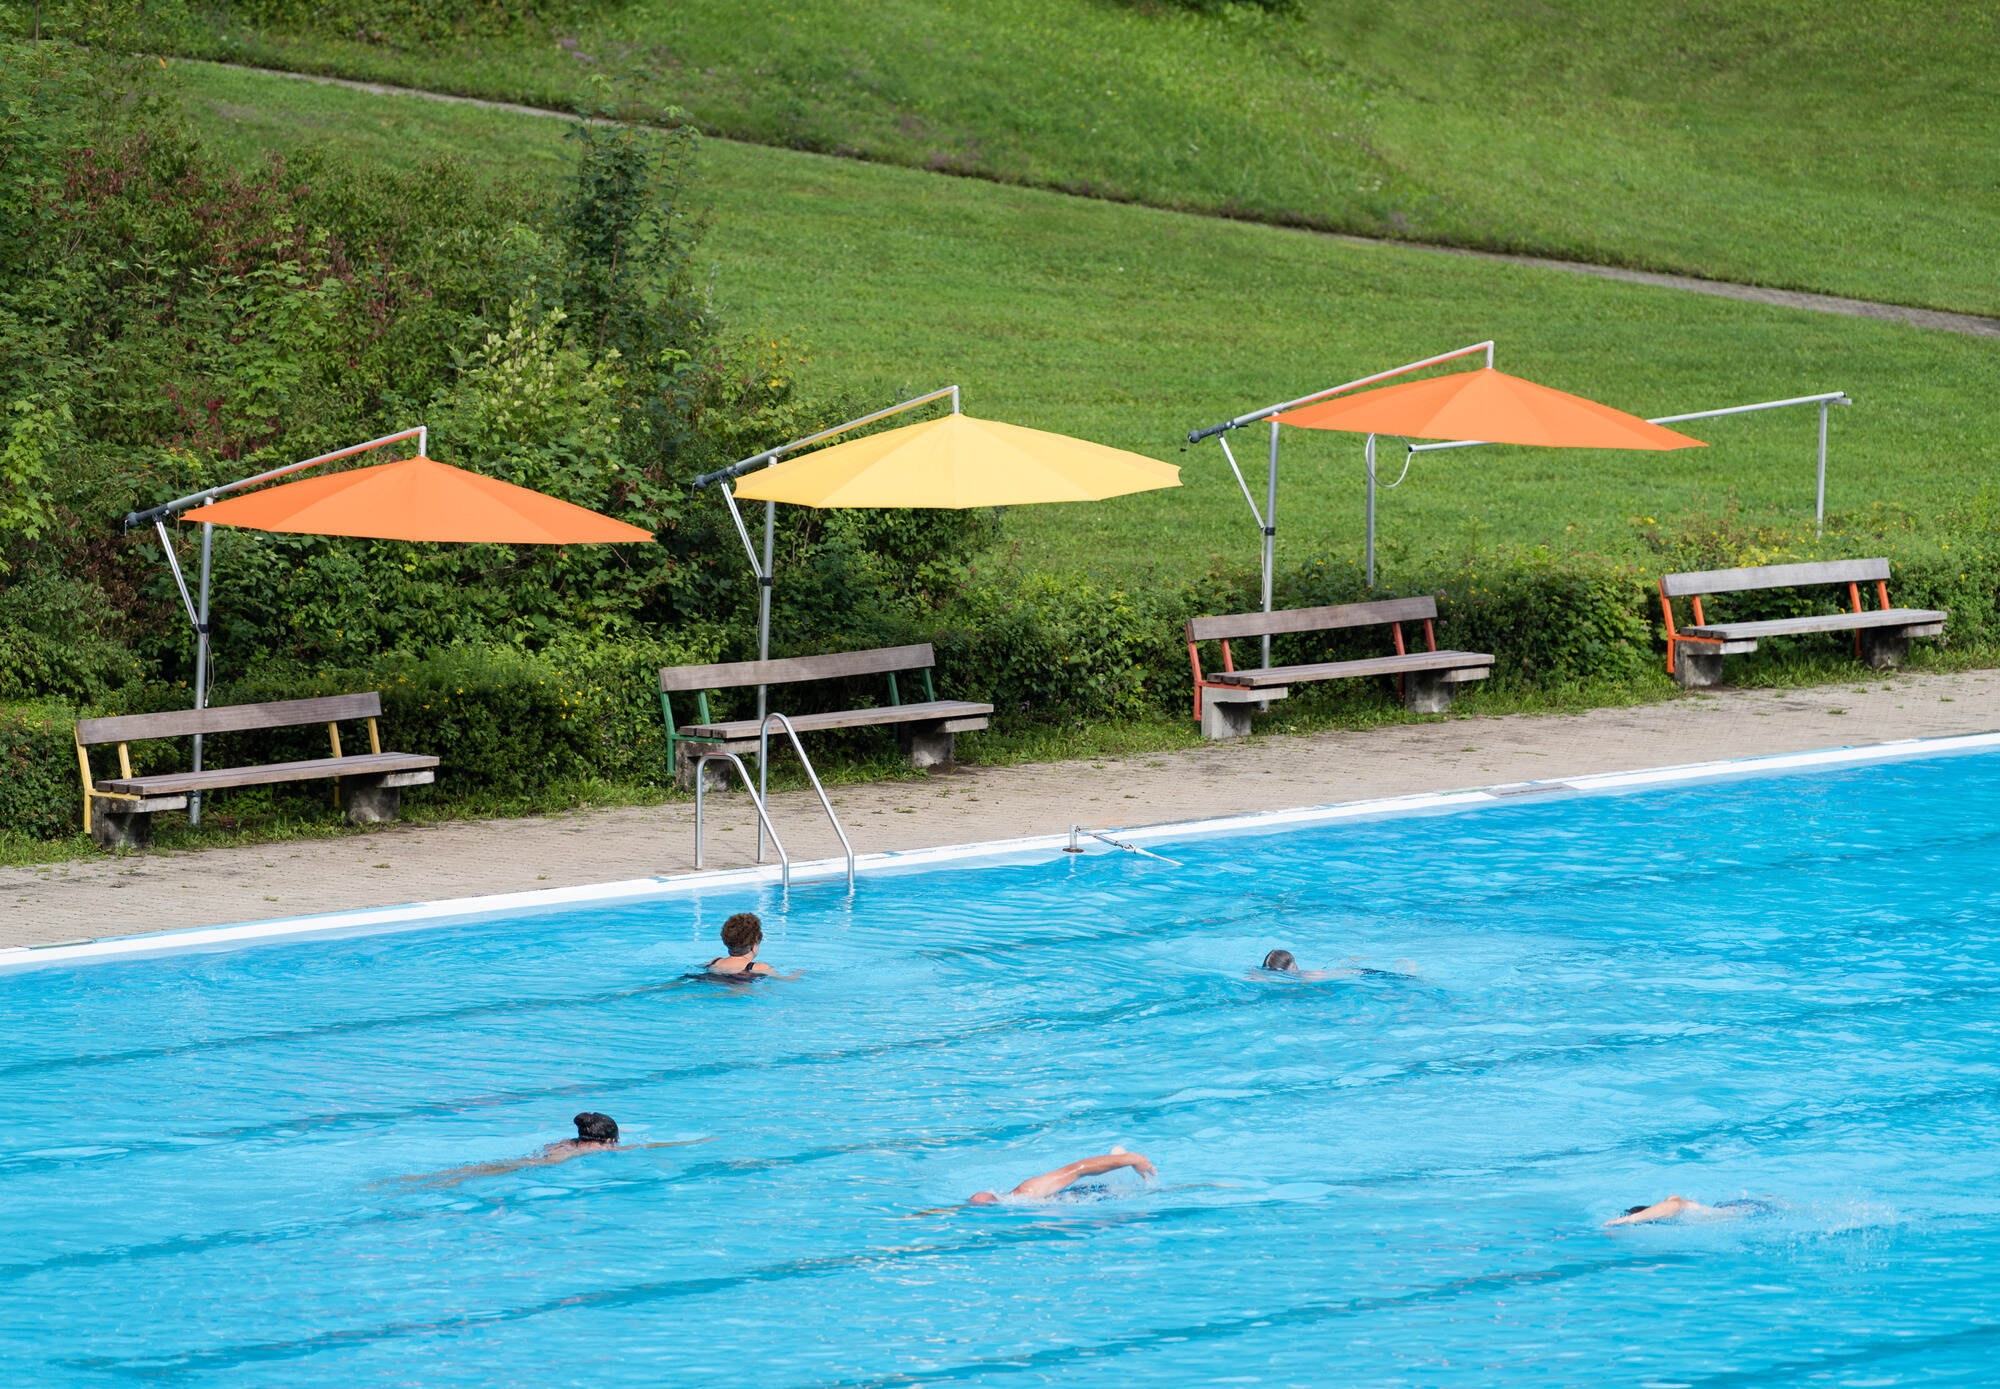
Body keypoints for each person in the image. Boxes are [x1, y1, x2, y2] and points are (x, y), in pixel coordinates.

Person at [404, 1112, 707, 1188]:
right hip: (535, 1167)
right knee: (474, 1175)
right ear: (610, 1141)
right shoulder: (602, 1151)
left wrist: (616, 1129)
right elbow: (651, 1146)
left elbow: (599, 1134)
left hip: (535, 1158)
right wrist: (698, 1143)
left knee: (471, 1170)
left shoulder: (573, 1141)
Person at [968, 1147, 1157, 1205]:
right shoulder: (1023, 1200)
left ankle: (1120, 1160)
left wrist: (1132, 1159)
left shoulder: (1029, 1191)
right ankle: (1118, 1160)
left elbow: (1079, 1168)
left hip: (1098, 1194)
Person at [702, 912, 798, 980]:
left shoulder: (714, 961)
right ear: (754, 945)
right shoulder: (758, 967)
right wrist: (797, 974)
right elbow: (785, 979)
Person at [1605, 1194, 1773, 1226]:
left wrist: (1631, 1219)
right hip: (1732, 1210)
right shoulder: (1668, 1221)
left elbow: (1673, 1205)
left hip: (1748, 1209)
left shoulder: (1671, 1204)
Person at [1254, 949, 1413, 981]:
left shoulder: (1308, 976)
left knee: (1405, 978)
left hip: (1366, 975)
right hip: (1354, 973)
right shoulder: (1293, 975)